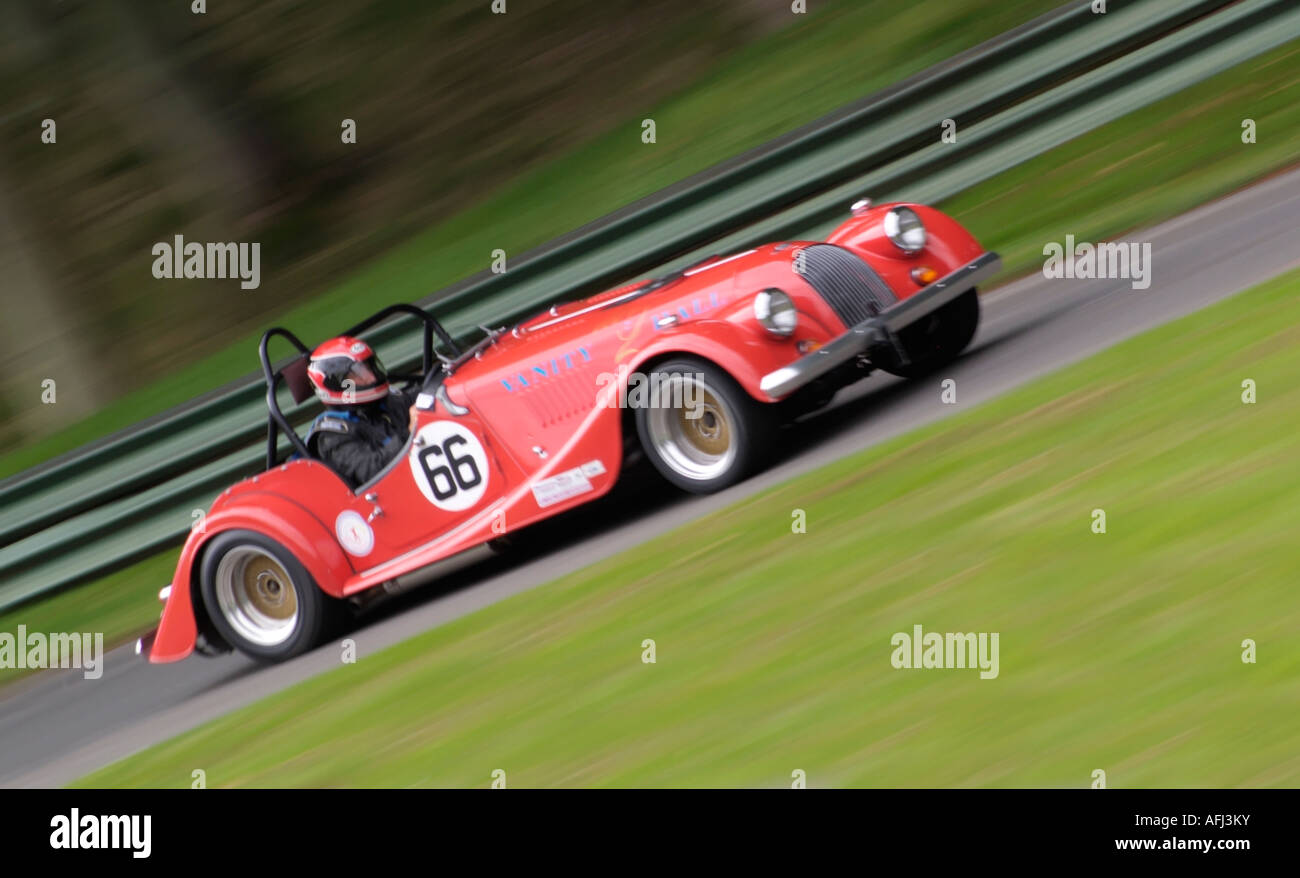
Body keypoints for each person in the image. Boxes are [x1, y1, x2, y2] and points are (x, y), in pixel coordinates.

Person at [304, 335, 418, 488]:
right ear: (340, 384)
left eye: (370, 367)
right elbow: (371, 471)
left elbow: (423, 394)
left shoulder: (385, 401)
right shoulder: (331, 436)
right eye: (360, 374)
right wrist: (410, 432)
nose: (371, 377)